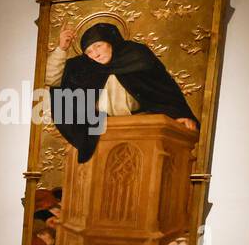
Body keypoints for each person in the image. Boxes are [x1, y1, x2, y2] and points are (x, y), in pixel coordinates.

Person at [46, 22, 197, 163]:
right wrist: (62, 49)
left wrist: (180, 114)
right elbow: (52, 80)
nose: (95, 54)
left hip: (143, 127)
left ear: (110, 41)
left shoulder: (136, 56)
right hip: (101, 131)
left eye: (98, 46)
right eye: (89, 51)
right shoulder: (84, 67)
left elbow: (163, 89)